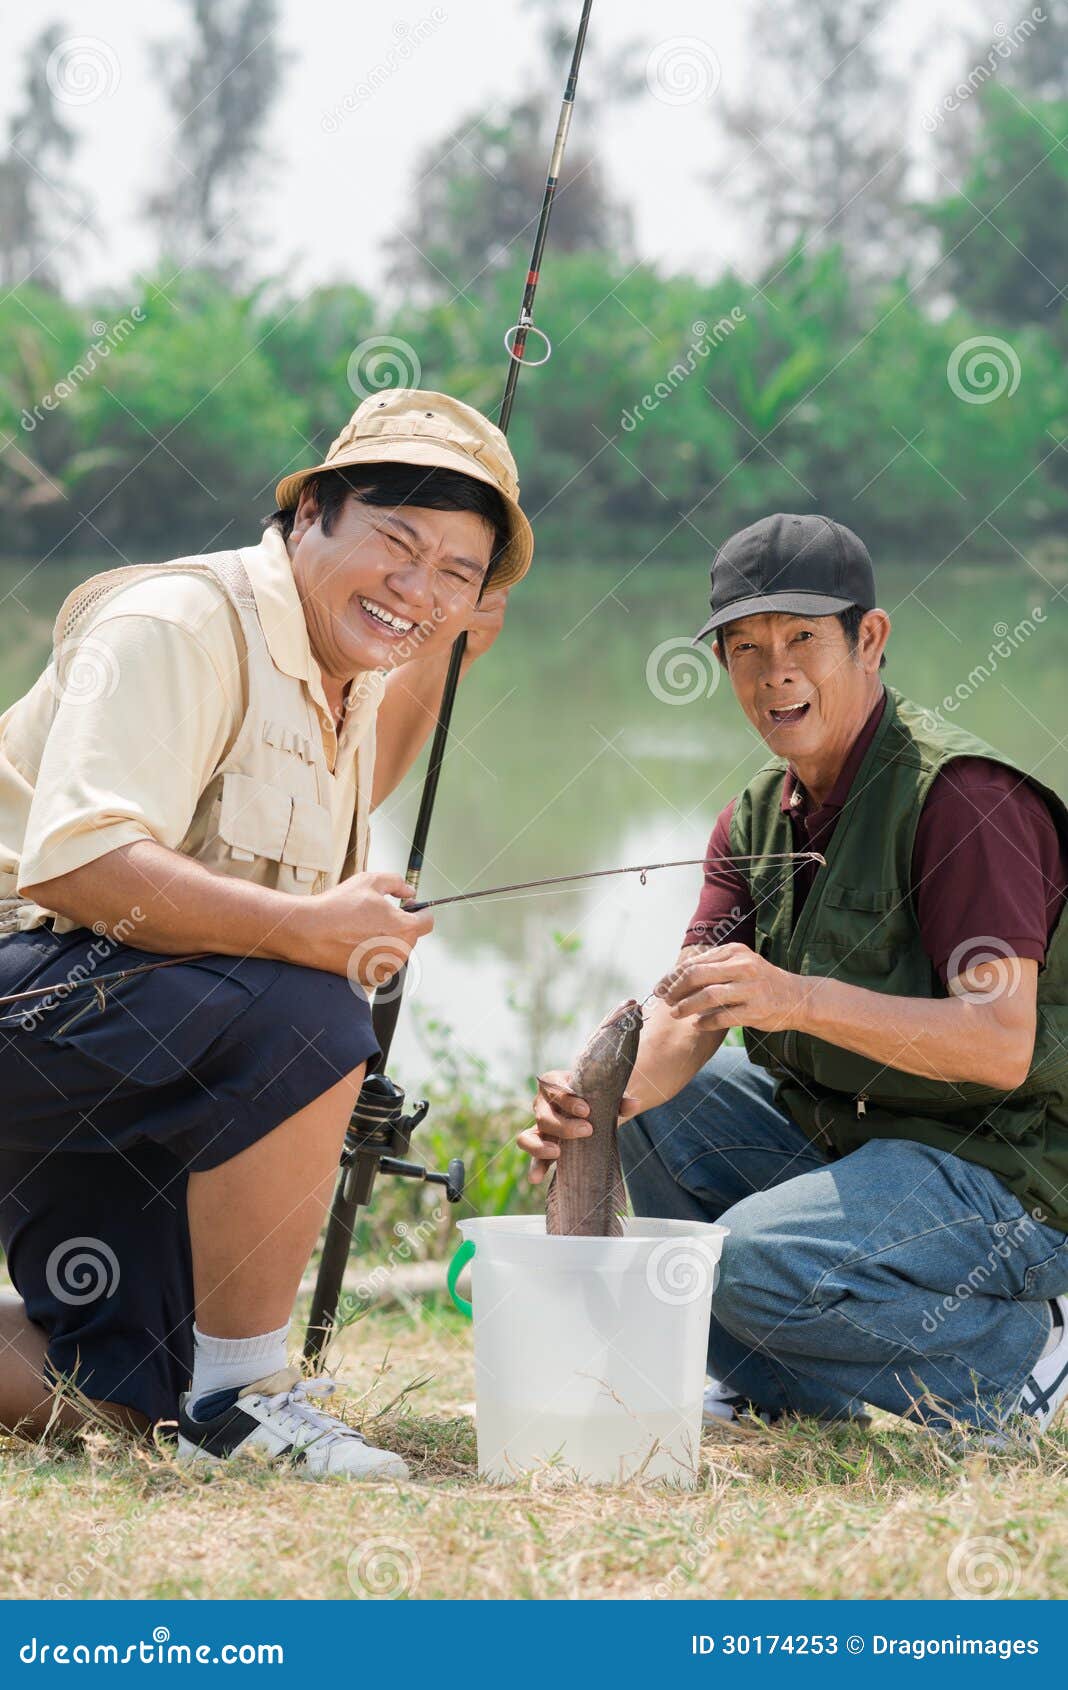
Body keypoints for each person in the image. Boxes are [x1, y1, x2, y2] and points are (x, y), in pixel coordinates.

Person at [0, 388, 533, 1476]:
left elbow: (348, 783)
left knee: (127, 1391)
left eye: (456, 574)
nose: (417, 586)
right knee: (304, 1011)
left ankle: (196, 1390)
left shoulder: (350, 672)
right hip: (30, 991)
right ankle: (245, 1400)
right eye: (397, 543)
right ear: (308, 517)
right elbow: (83, 861)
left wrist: (438, 655)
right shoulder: (178, 623)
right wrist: (308, 928)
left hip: (98, 1041)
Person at [524, 513, 1068, 1440]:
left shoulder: (966, 801)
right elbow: (686, 1013)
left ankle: (1027, 1357)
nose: (774, 671)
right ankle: (781, 1387)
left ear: (872, 639)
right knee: (661, 1107)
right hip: (863, 1146)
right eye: (746, 648)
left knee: (732, 1262)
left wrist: (795, 997)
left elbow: (998, 1044)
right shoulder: (750, 824)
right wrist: (598, 1101)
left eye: (803, 639)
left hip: (1007, 1173)